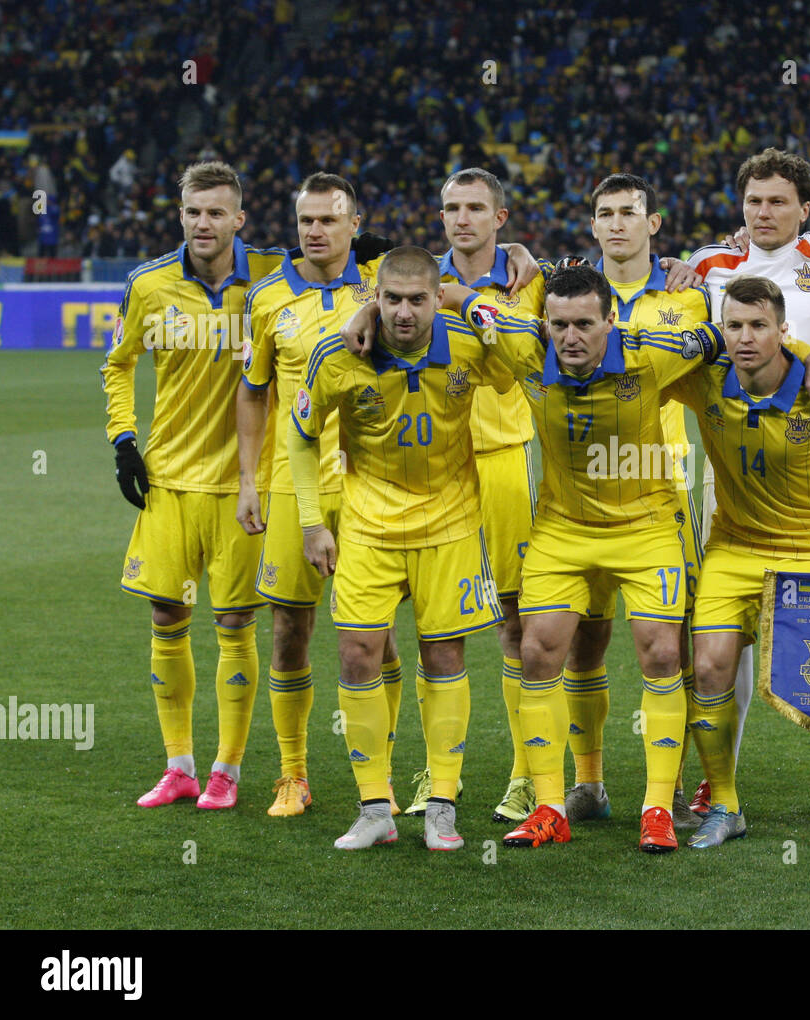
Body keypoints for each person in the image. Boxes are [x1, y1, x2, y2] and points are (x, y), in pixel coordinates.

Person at [446, 264, 810, 852]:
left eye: (585, 323)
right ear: (543, 324)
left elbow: (734, 337)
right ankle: (552, 804)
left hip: (647, 523)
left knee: (661, 649)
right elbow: (455, 294)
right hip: (563, 527)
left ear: (612, 321)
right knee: (536, 649)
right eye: (559, 325)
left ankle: (658, 805)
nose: (572, 336)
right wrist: (369, 310)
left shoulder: (656, 349)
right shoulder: (517, 338)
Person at [685, 147, 810, 813]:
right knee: (723, 648)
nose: (764, 212)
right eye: (753, 201)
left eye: (778, 201)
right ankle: (719, 782)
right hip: (732, 473)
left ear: (805, 208)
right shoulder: (710, 267)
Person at [291, 246, 511, 850]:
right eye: (392, 300)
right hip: (367, 528)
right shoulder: (337, 355)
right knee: (358, 657)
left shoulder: (469, 342)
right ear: (375, 298)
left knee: (444, 659)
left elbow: (529, 348)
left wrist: (503, 278)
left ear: (438, 296)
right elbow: (301, 436)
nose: (406, 312)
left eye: (419, 299)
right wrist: (313, 522)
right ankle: (374, 807)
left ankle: (442, 803)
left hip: (451, 525)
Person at [102, 161, 285, 810]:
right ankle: (178, 765)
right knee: (167, 615)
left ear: (239, 217)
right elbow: (117, 365)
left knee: (235, 622)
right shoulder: (147, 286)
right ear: (179, 215)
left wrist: (514, 254)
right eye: (191, 212)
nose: (202, 223)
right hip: (171, 482)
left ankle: (227, 771)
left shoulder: (273, 277)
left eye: (215, 212)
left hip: (246, 485)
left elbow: (354, 268)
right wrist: (124, 438)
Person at [237, 172, 402, 818]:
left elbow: (456, 270)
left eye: (329, 220)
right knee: (288, 628)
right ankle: (293, 773)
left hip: (368, 485)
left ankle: (380, 777)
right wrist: (250, 480)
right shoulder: (268, 296)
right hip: (290, 482)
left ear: (355, 225)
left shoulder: (384, 285)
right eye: (306, 220)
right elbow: (253, 391)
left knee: (377, 636)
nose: (315, 230)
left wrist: (528, 258)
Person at [558, 172, 716, 828]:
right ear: (591, 226)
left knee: (667, 646)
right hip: (580, 496)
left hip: (663, 491)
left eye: (630, 212)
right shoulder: (561, 289)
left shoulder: (691, 297)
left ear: (654, 224)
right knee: (583, 642)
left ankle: (670, 786)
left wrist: (701, 281)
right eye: (605, 213)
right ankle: (588, 783)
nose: (617, 223)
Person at [398, 167, 552, 825]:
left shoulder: (531, 281)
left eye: (475, 208)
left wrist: (471, 295)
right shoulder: (411, 281)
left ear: (501, 216)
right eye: (451, 208)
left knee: (516, 618)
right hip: (433, 470)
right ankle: (440, 775)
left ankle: (524, 774)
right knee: (436, 625)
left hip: (503, 464)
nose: (462, 218)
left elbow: (539, 339)